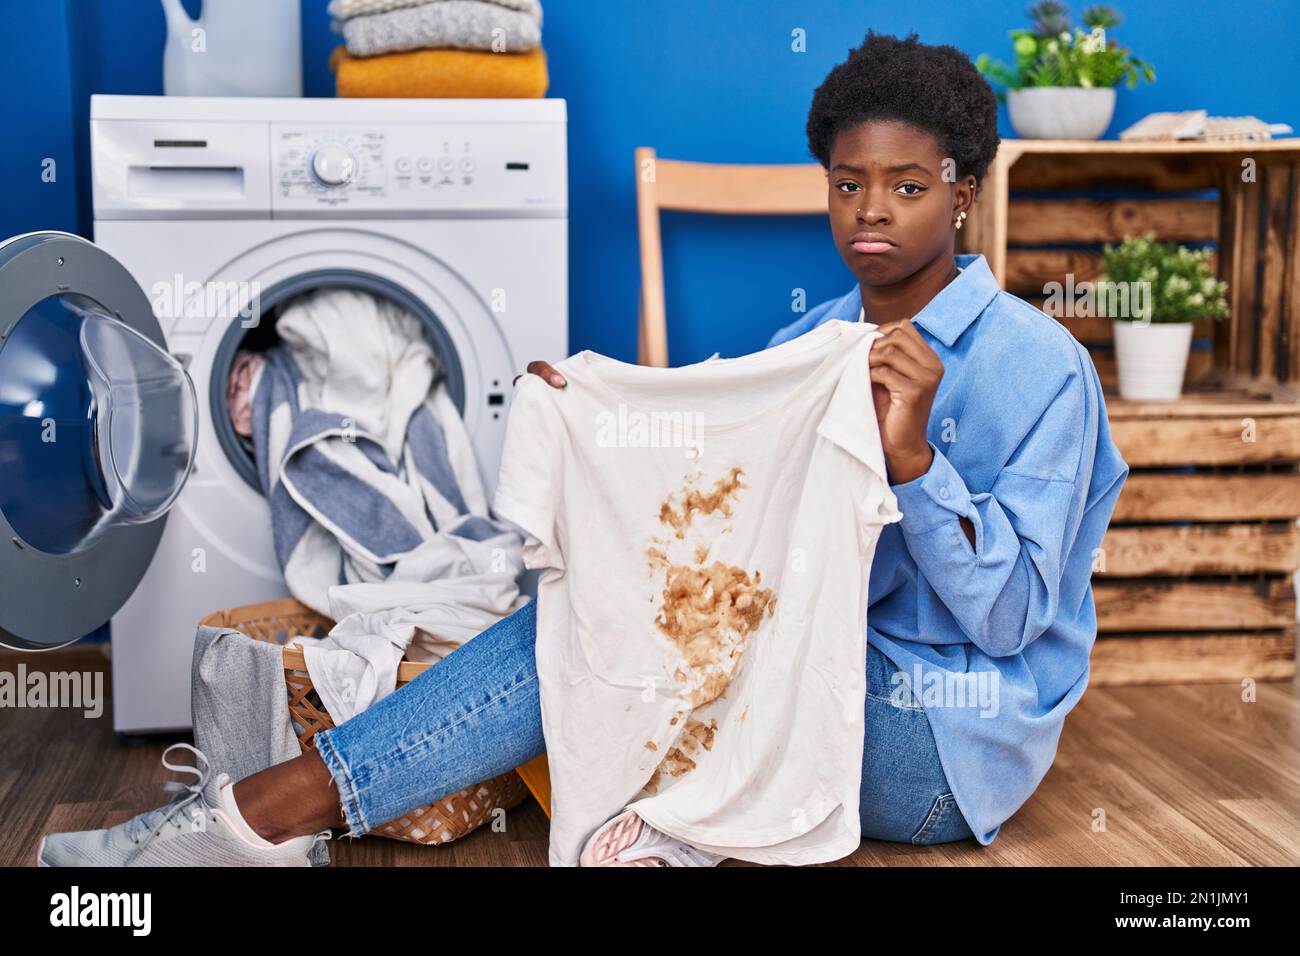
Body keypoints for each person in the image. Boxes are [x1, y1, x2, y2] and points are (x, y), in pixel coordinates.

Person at [38, 30, 1128, 868]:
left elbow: (1008, 621)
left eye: (908, 185)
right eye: (847, 183)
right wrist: (593, 411)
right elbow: (704, 478)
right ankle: (274, 816)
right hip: (798, 683)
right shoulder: (812, 345)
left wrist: (917, 465)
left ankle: (257, 817)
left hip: (932, 750)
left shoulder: (1039, 368)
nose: (870, 211)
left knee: (610, 623)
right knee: (607, 600)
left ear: (963, 193)